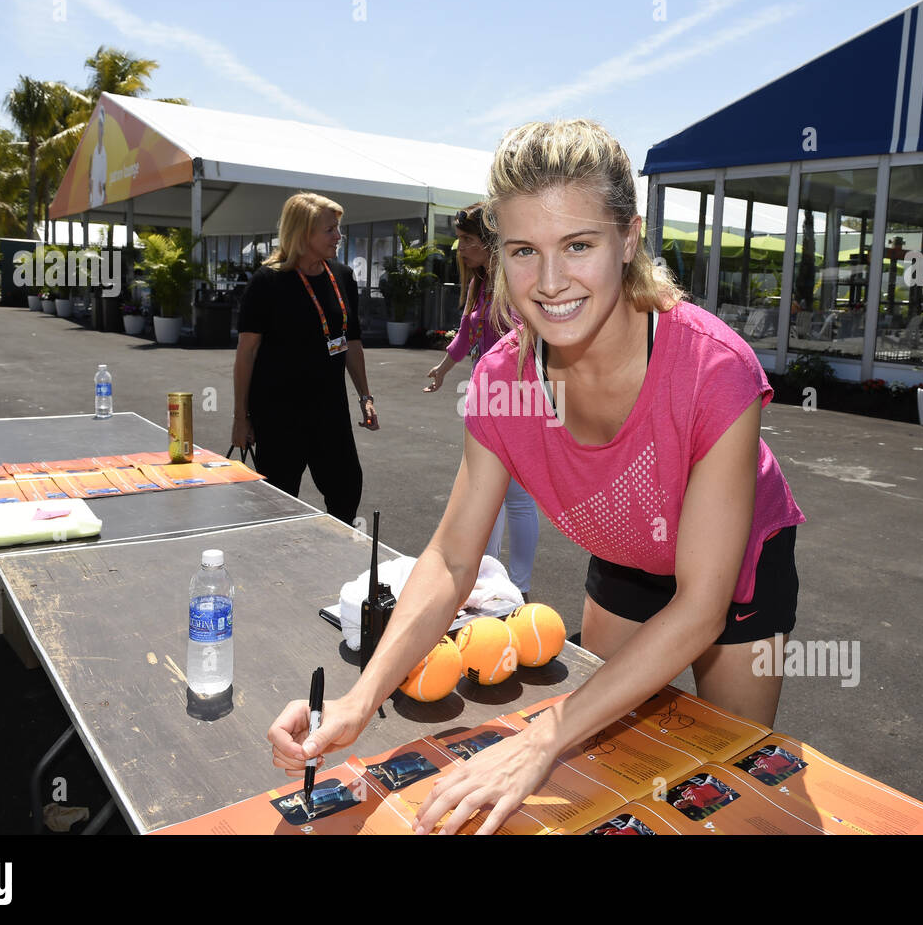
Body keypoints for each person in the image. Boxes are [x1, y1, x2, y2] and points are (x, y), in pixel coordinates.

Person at [267, 120, 805, 834]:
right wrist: (360, 699)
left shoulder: (716, 369)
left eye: (578, 245)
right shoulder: (502, 382)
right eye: (524, 250)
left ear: (628, 240)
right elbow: (454, 556)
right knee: (604, 782)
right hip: (625, 550)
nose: (550, 283)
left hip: (736, 579)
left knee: (725, 798)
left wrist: (543, 735)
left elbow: (700, 606)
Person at [231, 192, 379, 524]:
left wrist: (365, 397)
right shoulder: (267, 282)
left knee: (346, 490)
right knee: (278, 501)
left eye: (338, 228)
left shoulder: (342, 277)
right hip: (278, 414)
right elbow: (246, 353)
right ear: (303, 233)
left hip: (330, 409)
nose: (338, 237)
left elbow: (351, 342)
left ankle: (337, 561)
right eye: (330, 230)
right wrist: (241, 418)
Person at [424, 204, 540, 598]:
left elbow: (532, 335)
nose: (460, 248)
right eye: (460, 239)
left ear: (491, 242)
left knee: (517, 497)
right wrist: (443, 368)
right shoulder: (480, 281)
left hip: (517, 398)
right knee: (484, 492)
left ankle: (519, 587)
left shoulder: (518, 281)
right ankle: (485, 579)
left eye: (467, 240)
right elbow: (464, 334)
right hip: (484, 397)